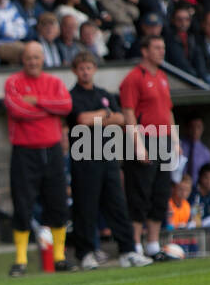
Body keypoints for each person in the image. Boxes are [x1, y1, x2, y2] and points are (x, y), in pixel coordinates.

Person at [65, 51, 152, 270]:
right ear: (75, 71)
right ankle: (85, 253)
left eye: (89, 67)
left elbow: (121, 118)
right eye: (81, 68)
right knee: (86, 207)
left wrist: (100, 117)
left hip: (108, 155)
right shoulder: (72, 95)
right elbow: (82, 120)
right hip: (85, 157)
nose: (86, 72)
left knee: (117, 205)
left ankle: (128, 250)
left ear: (94, 69)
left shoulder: (103, 93)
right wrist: (106, 116)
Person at [3, 41, 74, 275]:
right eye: (29, 57)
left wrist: (39, 102)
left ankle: (59, 257)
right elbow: (18, 110)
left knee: (57, 203)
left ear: (43, 59)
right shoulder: (13, 82)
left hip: (52, 150)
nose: (33, 61)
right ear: (23, 60)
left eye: (37, 57)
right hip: (25, 152)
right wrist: (47, 111)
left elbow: (65, 106)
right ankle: (20, 260)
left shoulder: (54, 82)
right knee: (23, 204)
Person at [119, 35, 177, 261]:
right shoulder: (133, 78)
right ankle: (135, 245)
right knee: (139, 193)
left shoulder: (162, 76)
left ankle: (153, 243)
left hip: (163, 139)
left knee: (160, 193)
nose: (162, 51)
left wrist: (175, 139)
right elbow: (128, 113)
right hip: (144, 138)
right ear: (145, 51)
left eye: (163, 47)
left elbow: (168, 110)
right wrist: (138, 145)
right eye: (157, 47)